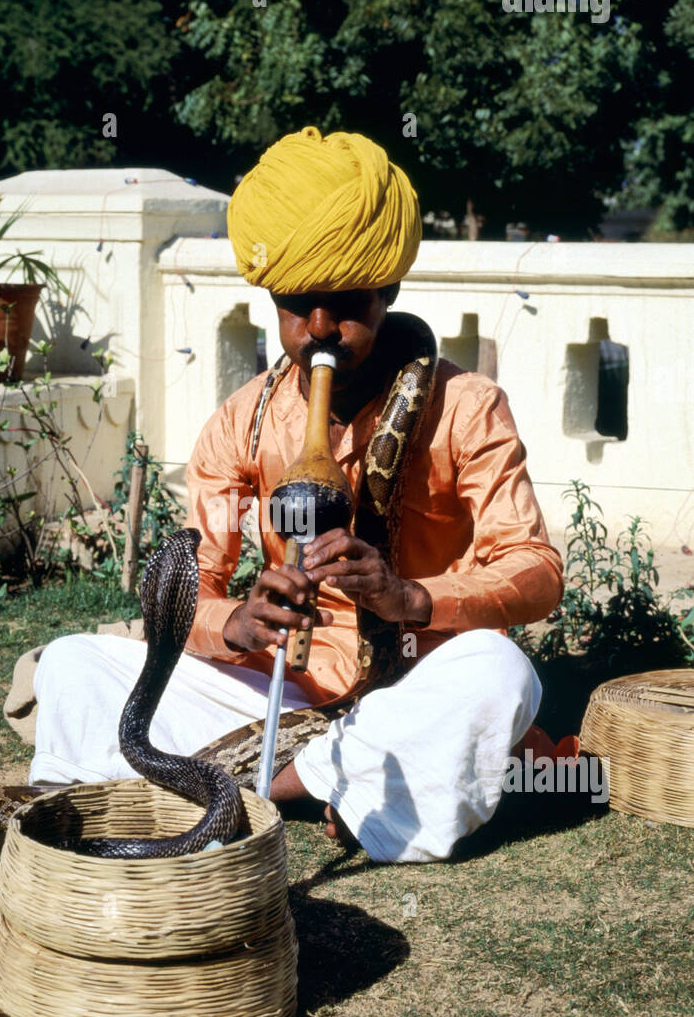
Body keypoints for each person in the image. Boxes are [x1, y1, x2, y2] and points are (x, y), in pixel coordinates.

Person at [30, 126, 563, 863]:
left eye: (345, 303)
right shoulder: (242, 422)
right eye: (295, 306)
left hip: (413, 680)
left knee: (500, 675)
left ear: (387, 294)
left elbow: (537, 571)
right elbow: (194, 590)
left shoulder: (465, 406)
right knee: (70, 665)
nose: (319, 330)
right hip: (283, 687)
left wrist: (412, 598)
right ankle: (322, 777)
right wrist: (237, 623)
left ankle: (269, 785)